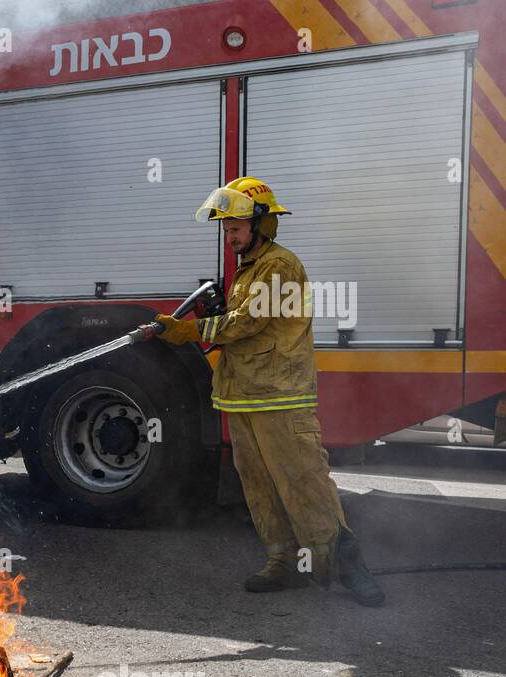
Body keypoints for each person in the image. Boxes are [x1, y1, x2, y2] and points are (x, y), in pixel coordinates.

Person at [153, 176, 384, 607]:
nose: (230, 236)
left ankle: (350, 566)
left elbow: (246, 323)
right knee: (259, 485)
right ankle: (284, 563)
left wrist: (187, 329)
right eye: (226, 229)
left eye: (237, 227)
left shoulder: (280, 266)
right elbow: (244, 324)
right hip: (243, 396)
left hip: (280, 398)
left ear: (263, 225)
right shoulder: (248, 270)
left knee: (303, 481)